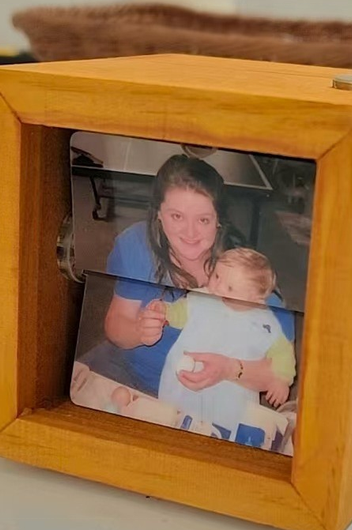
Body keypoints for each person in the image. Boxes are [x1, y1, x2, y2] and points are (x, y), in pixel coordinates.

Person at [103, 153, 295, 396]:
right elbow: (116, 323)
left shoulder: (246, 275)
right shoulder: (135, 244)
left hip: (215, 396)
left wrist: (228, 369)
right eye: (177, 216)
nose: (190, 232)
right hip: (135, 379)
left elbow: (279, 370)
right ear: (158, 213)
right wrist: (139, 332)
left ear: (218, 220)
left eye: (203, 220)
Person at [148, 248, 295, 436]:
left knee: (222, 429)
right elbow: (180, 313)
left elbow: (283, 353)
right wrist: (164, 311)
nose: (217, 287)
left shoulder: (265, 324)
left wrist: (282, 379)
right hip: (185, 380)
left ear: (256, 300)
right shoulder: (201, 299)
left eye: (230, 288)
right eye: (217, 276)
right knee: (174, 420)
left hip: (230, 393)